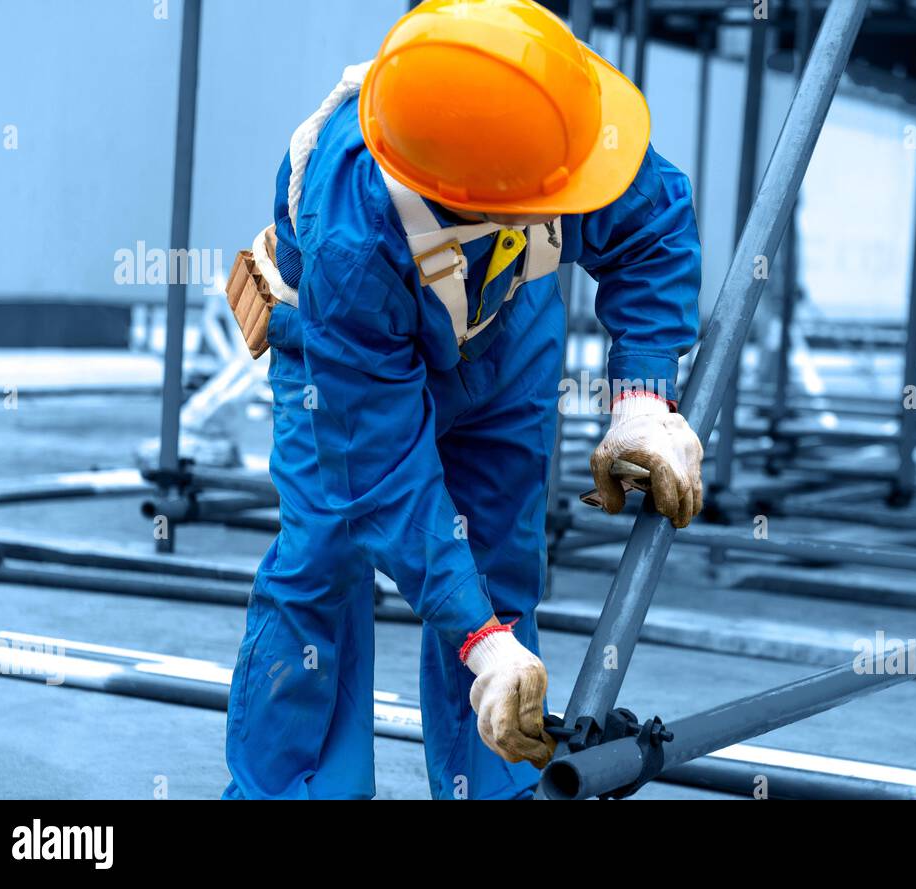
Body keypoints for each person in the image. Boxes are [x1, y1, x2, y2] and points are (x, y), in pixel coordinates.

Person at [224, 0, 703, 800]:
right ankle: (295, 791)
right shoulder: (353, 235)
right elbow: (379, 471)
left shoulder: (548, 124)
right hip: (341, 351)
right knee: (327, 554)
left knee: (498, 559)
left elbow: (651, 223)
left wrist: (643, 400)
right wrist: (478, 639)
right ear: (482, 196)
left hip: (507, 335)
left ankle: (499, 785)